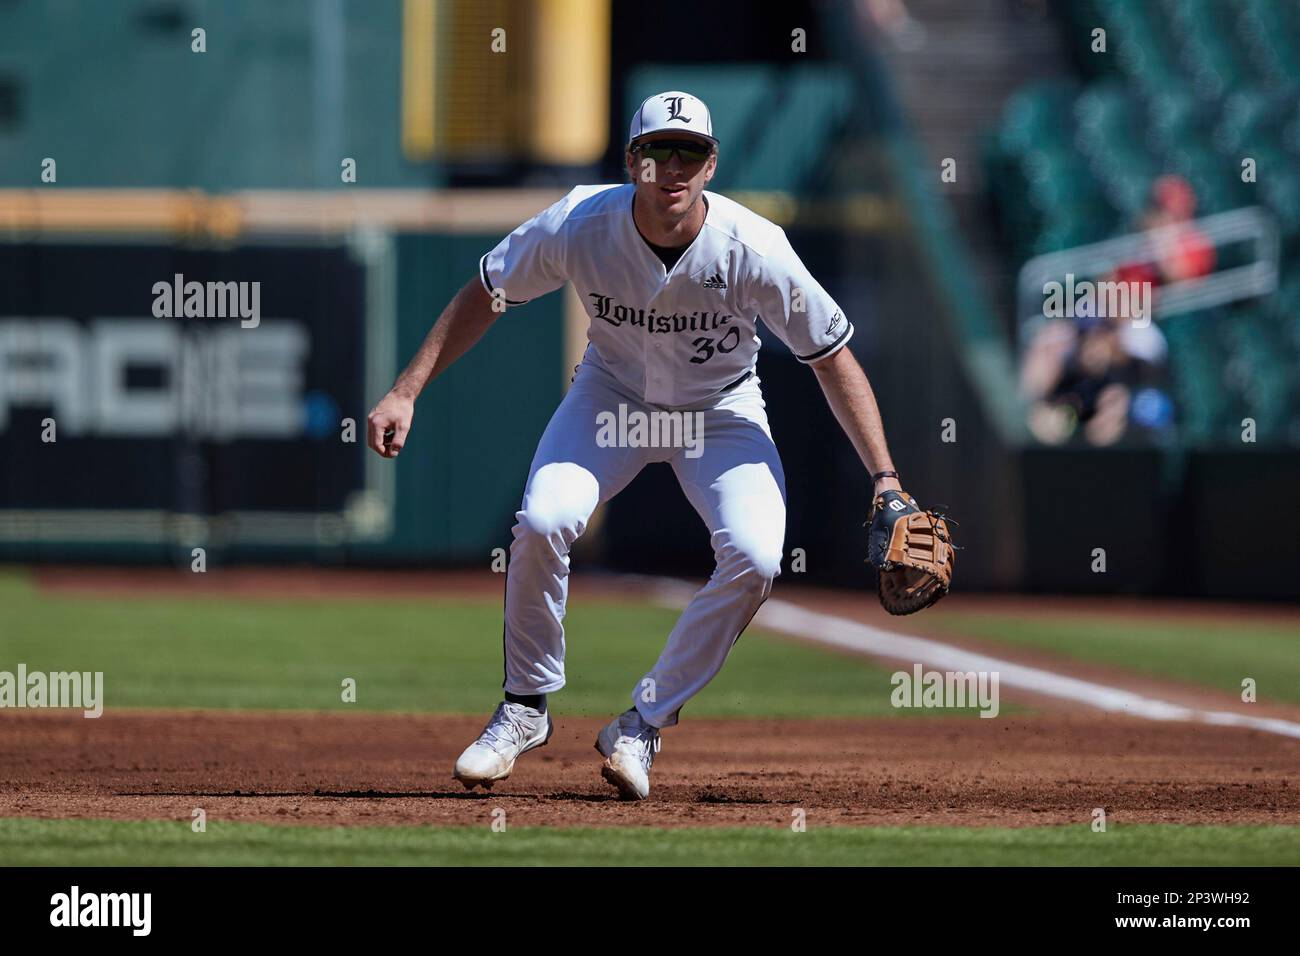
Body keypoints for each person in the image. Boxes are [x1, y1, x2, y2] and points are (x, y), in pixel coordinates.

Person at [366, 91, 908, 800]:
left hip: (718, 410)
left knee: (755, 556)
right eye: (658, 150)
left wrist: (887, 481)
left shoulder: (755, 248)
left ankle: (642, 722)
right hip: (611, 396)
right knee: (544, 520)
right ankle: (524, 708)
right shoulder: (581, 222)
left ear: (712, 164)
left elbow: (832, 358)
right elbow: (487, 292)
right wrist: (406, 389)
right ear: (632, 162)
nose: (673, 167)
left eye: (690, 151)